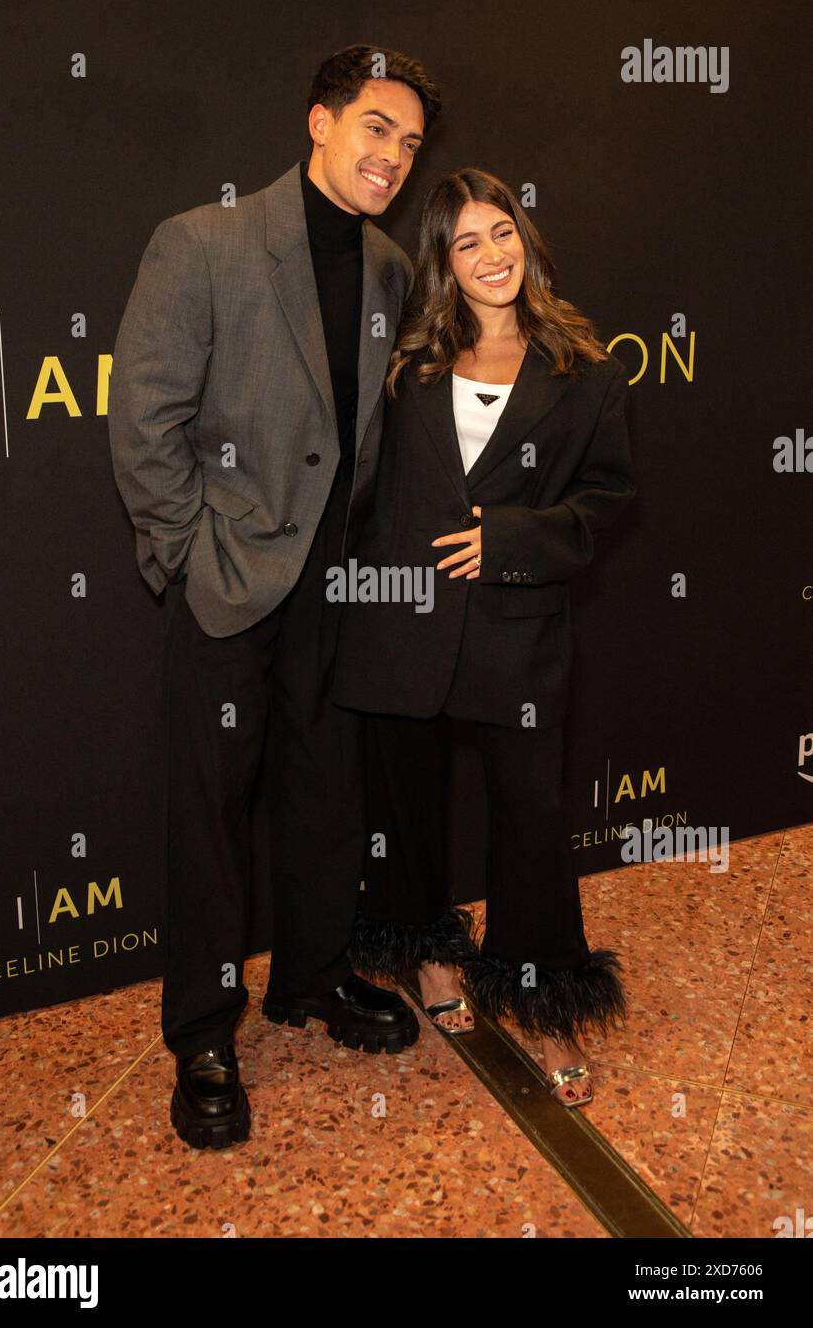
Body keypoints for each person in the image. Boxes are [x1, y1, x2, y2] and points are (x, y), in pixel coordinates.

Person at [107, 45, 442, 1148]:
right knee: (209, 818)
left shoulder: (392, 269)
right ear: (317, 122)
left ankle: (313, 975)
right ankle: (203, 1031)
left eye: (407, 140)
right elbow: (145, 422)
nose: (390, 153)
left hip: (334, 590)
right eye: (374, 126)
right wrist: (189, 558)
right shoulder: (201, 242)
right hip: (228, 581)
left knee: (322, 797)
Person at [332, 167, 636, 1107]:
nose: (491, 255)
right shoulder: (407, 365)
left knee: (532, 824)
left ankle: (544, 1004)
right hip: (402, 627)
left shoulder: (585, 372)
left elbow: (607, 504)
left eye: (501, 232)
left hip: (517, 632)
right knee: (407, 814)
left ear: (526, 239)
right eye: (467, 242)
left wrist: (507, 538)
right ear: (445, 262)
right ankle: (429, 958)